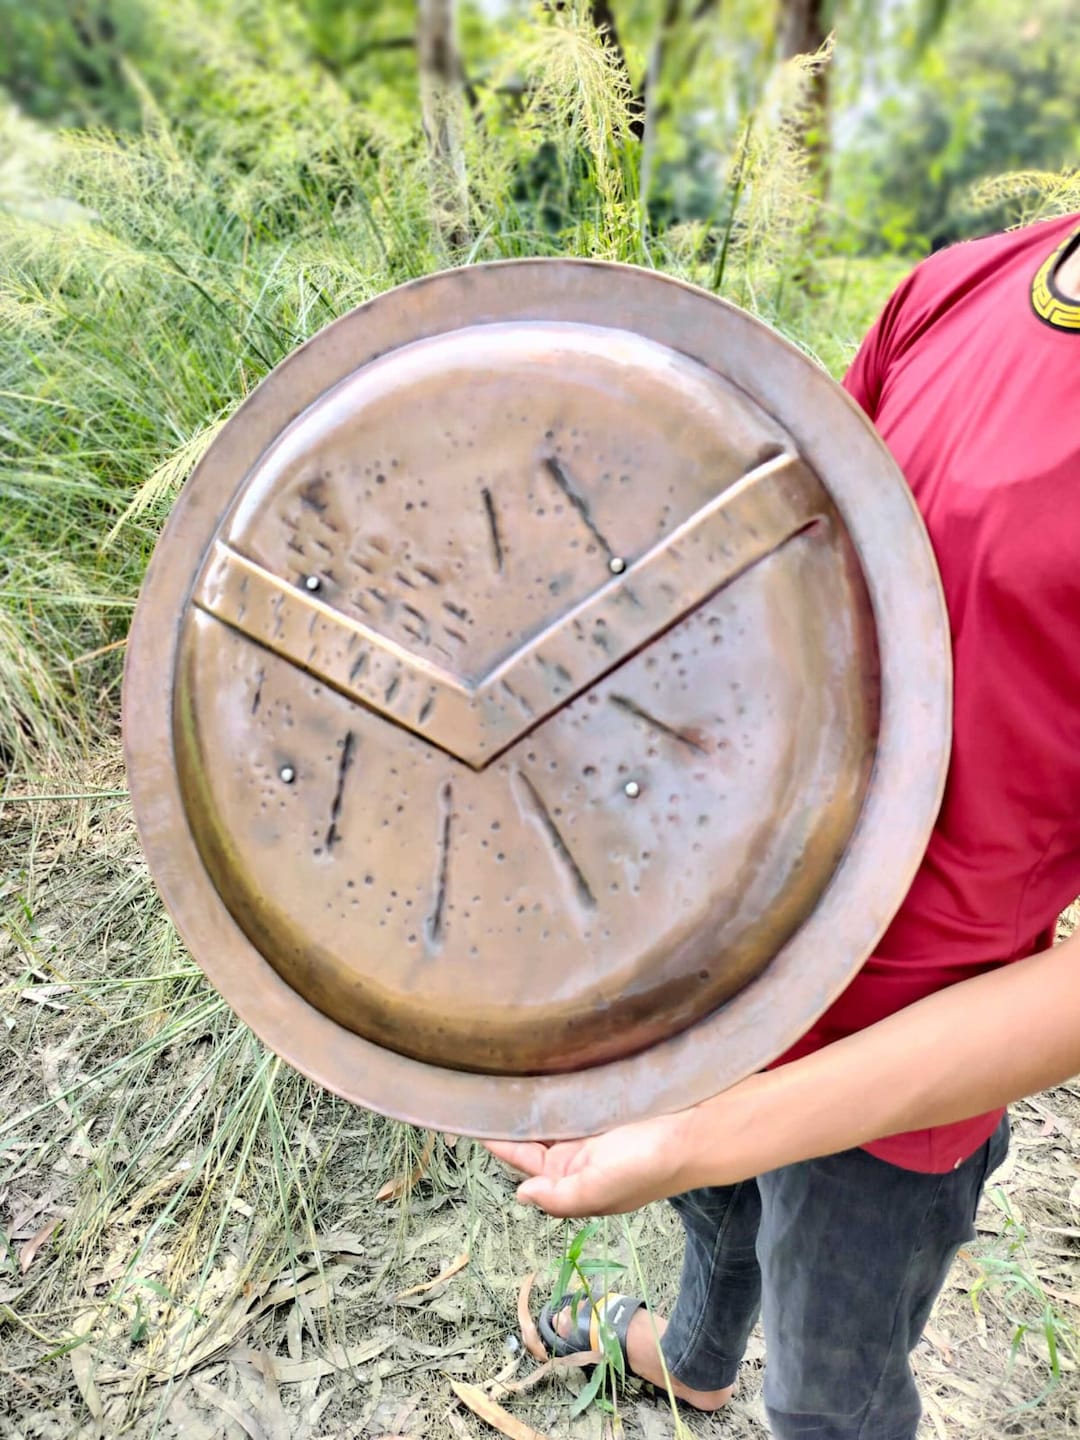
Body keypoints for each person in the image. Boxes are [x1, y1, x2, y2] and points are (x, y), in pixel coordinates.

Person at [485, 211, 1080, 1440]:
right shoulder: (973, 279)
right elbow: (779, 557)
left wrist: (708, 1134)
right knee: (713, 1219)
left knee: (828, 1392)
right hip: (710, 956)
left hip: (895, 1088)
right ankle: (697, 1359)